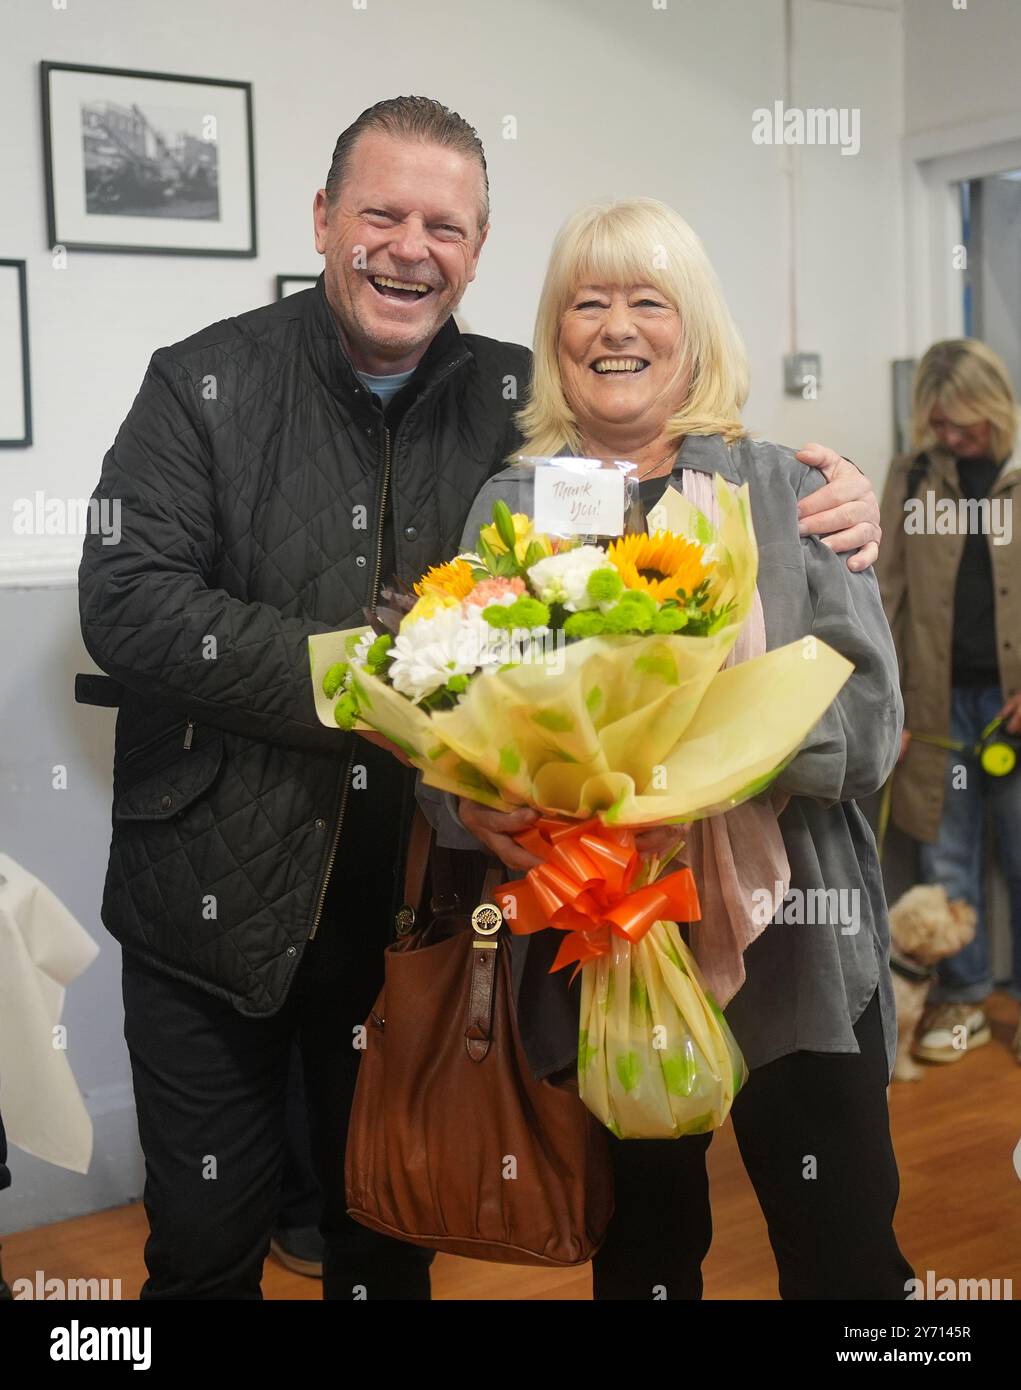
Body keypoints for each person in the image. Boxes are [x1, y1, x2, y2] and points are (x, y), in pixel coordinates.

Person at [77, 97, 881, 1301]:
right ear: (322, 218)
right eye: (381, 214)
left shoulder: (543, 407)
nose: (411, 246)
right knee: (204, 1245)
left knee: (390, 1234)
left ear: (478, 248)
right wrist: (383, 693)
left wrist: (844, 509)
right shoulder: (209, 384)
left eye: (443, 224)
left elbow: (852, 699)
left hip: (430, 921)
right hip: (223, 898)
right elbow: (130, 601)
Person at [449, 198, 913, 1299]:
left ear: (693, 327)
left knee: (848, 1259)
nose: (615, 326)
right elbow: (453, 728)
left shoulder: (789, 488)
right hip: (604, 955)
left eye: (646, 299)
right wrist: (477, 802)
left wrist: (700, 751)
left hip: (795, 945)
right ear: (555, 334)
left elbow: (870, 729)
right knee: (648, 1259)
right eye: (586, 301)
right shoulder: (514, 506)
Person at [877, 339, 1021, 1065]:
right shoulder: (910, 478)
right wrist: (888, 705)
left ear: (993, 407)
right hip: (935, 716)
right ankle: (962, 998)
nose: (950, 437)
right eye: (937, 424)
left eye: (962, 423)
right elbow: (885, 597)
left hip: (1011, 705)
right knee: (949, 866)